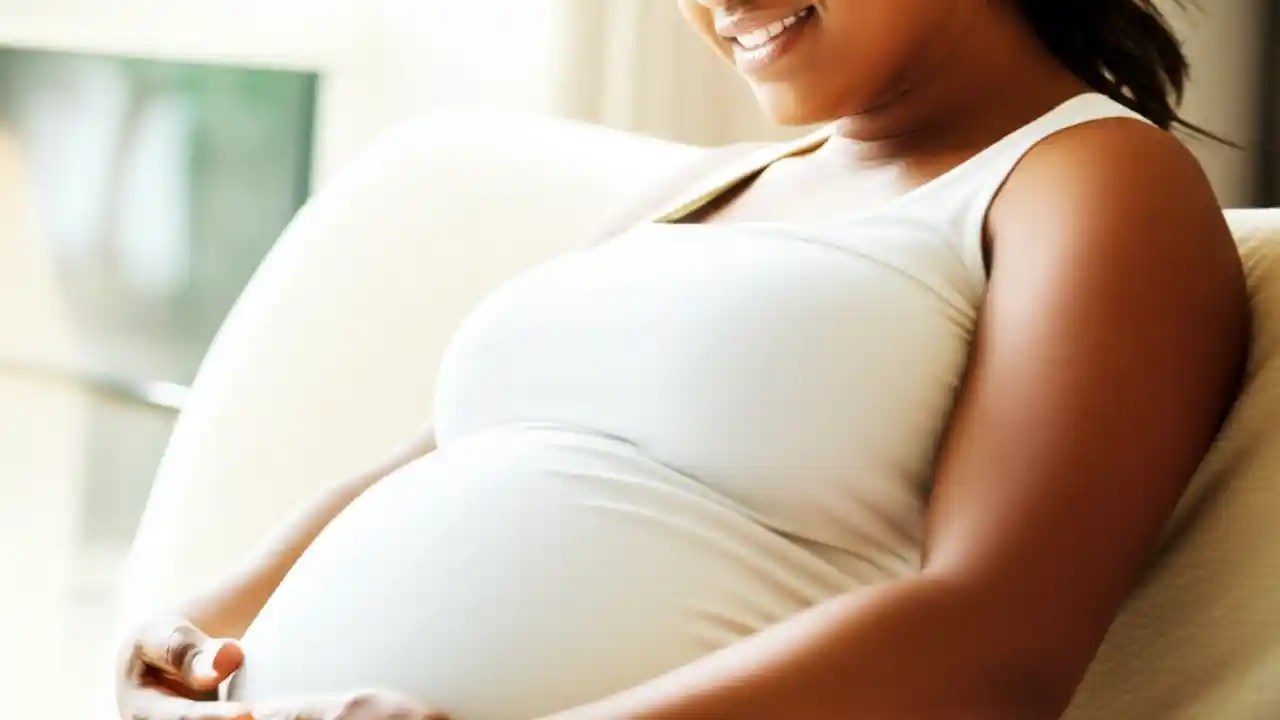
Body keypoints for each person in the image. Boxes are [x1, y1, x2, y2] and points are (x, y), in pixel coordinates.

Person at [117, 1, 1250, 718]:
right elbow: (464, 449)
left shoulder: (1089, 181)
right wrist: (192, 642)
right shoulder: (697, 191)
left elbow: (995, 642)